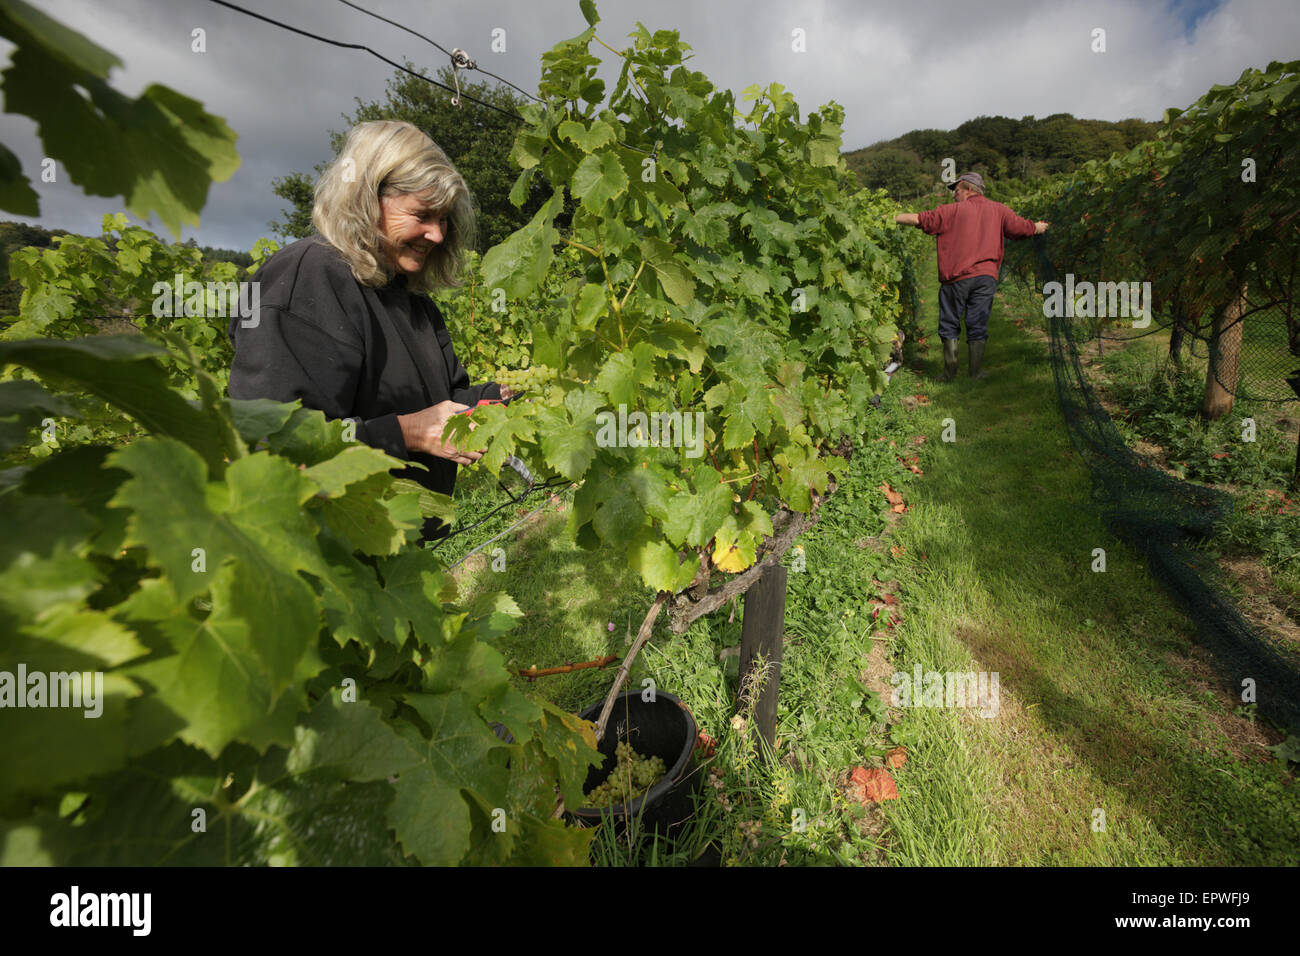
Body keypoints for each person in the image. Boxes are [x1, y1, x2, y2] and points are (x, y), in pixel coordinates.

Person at [228, 120, 507, 542]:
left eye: (444, 219)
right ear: (365, 201)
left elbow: (444, 403)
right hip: (325, 557)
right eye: (422, 215)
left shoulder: (410, 299)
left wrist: (493, 400)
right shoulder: (308, 279)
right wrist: (407, 433)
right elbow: (273, 442)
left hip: (392, 549)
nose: (437, 234)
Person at [894, 172, 1049, 380]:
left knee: (949, 322)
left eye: (956, 190)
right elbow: (1020, 227)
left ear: (968, 189)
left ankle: (949, 373)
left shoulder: (951, 211)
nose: (953, 195)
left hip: (956, 277)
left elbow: (919, 219)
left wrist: (891, 218)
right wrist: (1038, 227)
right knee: (978, 322)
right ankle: (975, 372)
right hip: (986, 277)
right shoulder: (999, 209)